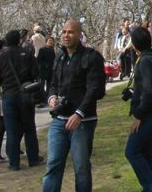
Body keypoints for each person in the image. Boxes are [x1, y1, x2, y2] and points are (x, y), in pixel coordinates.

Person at [44, 20, 106, 192]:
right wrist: (51, 97)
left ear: (80, 34)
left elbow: (95, 89)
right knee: (53, 164)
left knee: (81, 167)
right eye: (63, 32)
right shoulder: (59, 56)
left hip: (83, 121)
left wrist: (79, 113)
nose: (65, 35)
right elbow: (54, 83)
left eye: (70, 32)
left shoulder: (91, 57)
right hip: (59, 120)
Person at [0, 29, 42, 171]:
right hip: (26, 94)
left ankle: (14, 162)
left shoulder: (1, 57)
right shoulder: (27, 54)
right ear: (19, 40)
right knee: (29, 128)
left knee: (12, 130)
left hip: (9, 95)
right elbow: (36, 73)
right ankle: (33, 158)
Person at [125, 26, 152, 192]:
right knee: (145, 152)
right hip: (149, 110)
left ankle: (151, 188)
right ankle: (151, 187)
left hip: (148, 113)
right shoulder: (149, 57)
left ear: (135, 45)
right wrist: (133, 93)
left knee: (132, 151)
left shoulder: (146, 60)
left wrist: (139, 115)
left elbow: (150, 91)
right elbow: (148, 87)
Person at [37, 36, 57, 103]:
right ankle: (41, 99)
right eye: (49, 41)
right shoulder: (42, 49)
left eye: (52, 41)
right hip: (43, 70)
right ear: (46, 41)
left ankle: (47, 98)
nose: (50, 42)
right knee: (41, 85)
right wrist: (45, 65)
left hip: (50, 70)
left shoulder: (52, 49)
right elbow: (39, 60)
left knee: (49, 85)